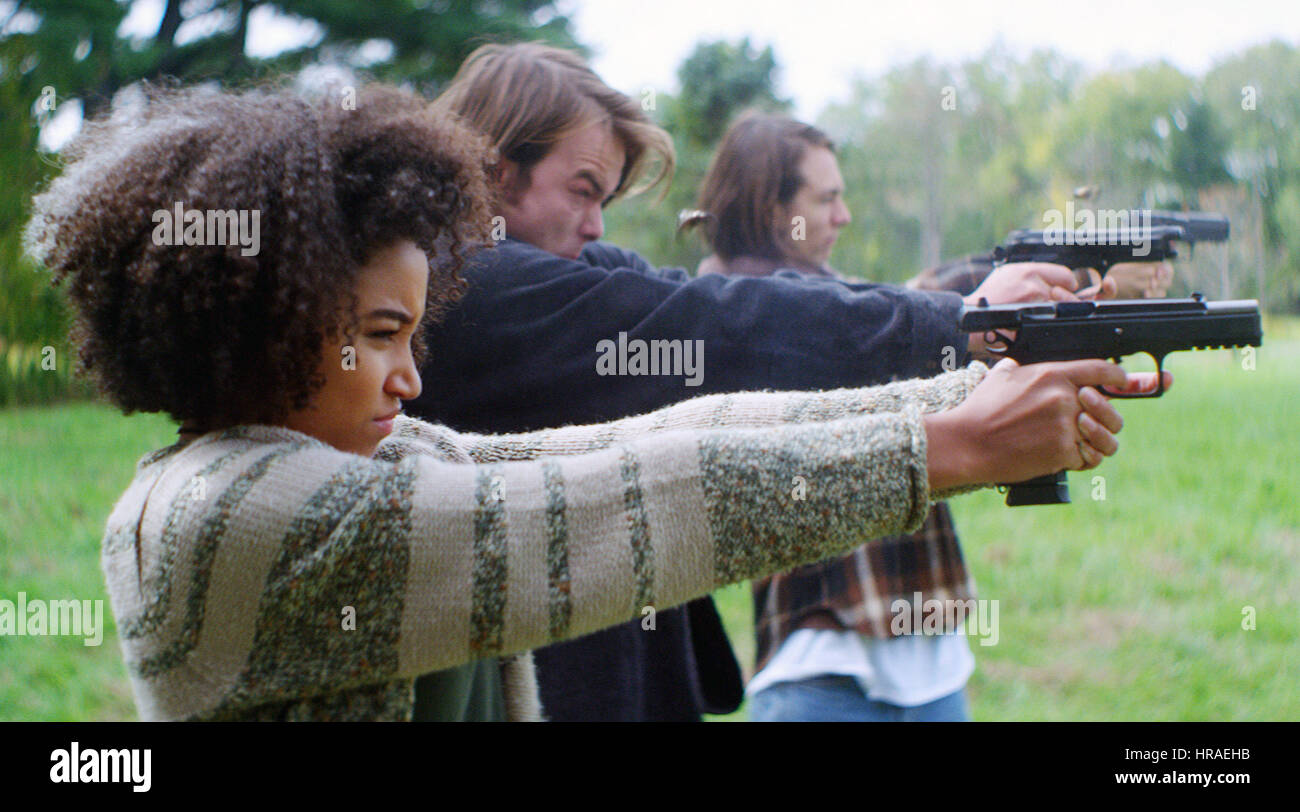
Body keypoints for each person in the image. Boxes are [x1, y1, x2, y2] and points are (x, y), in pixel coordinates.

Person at [24, 82, 1151, 722]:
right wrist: (950, 442)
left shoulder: (355, 453)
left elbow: (654, 437)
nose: (411, 374)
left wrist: (968, 396)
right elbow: (639, 503)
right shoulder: (239, 517)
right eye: (379, 334)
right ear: (255, 323)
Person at [408, 42, 1145, 721]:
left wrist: (966, 324)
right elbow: (705, 323)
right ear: (496, 168)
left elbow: (714, 309)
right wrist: (962, 325)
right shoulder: (463, 285)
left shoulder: (560, 270)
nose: (599, 225)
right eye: (583, 189)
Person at [687, 112, 984, 721]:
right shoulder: (730, 314)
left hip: (928, 663)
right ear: (774, 209)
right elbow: (875, 320)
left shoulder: (835, 301)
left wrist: (1046, 269)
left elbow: (902, 303)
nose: (844, 216)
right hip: (821, 676)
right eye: (827, 199)